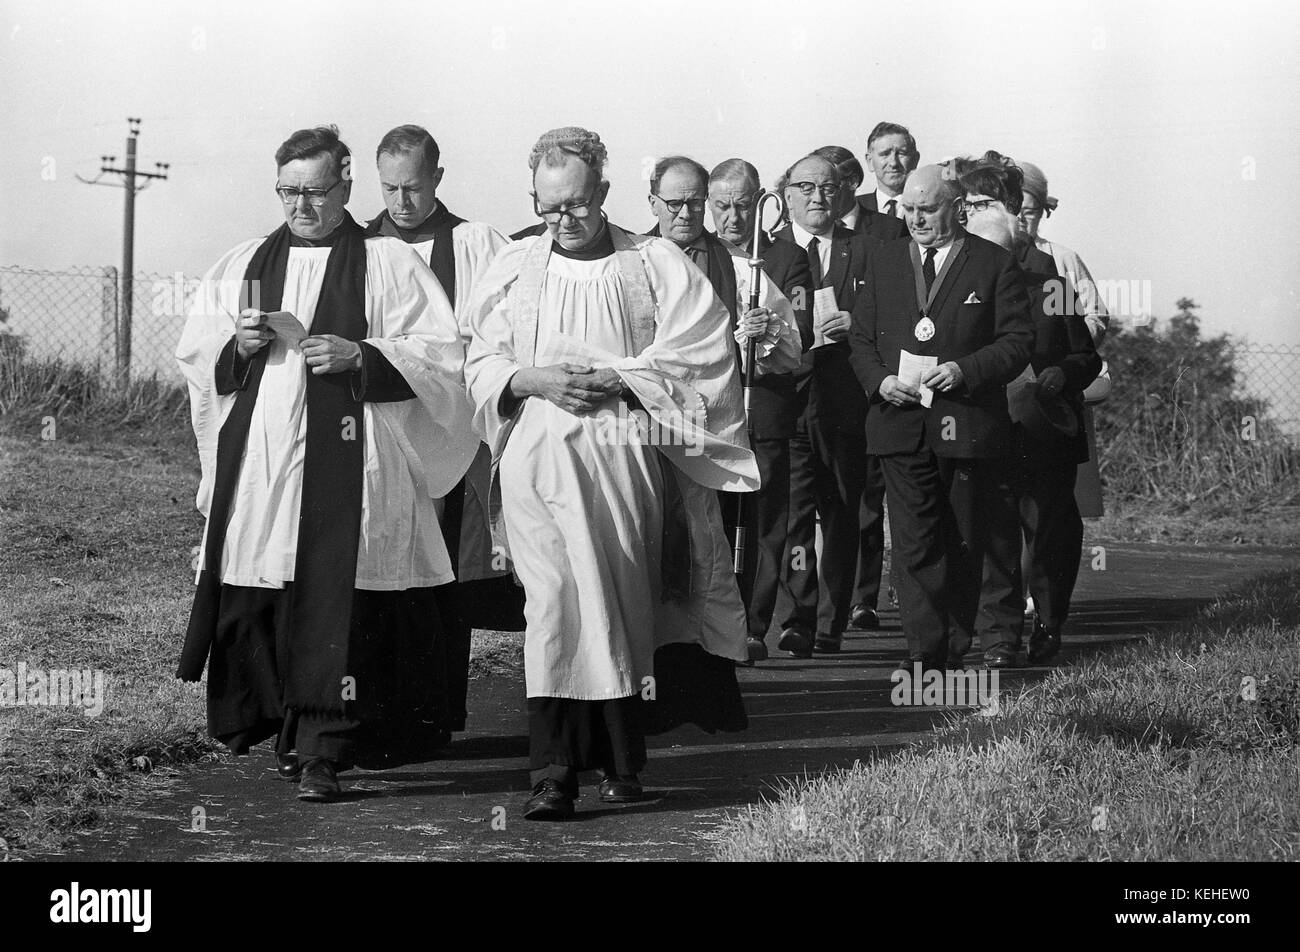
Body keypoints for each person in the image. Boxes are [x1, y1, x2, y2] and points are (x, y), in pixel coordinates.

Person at [175, 125, 479, 802]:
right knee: (271, 578)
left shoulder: (391, 262)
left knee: (344, 597)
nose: (301, 206)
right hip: (266, 460)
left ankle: (326, 747)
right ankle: (285, 724)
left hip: (358, 455)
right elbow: (199, 358)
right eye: (288, 191)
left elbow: (441, 355)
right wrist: (239, 346)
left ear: (345, 183)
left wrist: (363, 356)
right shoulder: (245, 261)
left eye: (314, 190)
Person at [465, 127, 757, 821]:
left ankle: (622, 763)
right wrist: (531, 377)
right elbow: (477, 359)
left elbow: (704, 356)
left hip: (626, 458)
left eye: (575, 206)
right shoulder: (513, 267)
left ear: (602, 192)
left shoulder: (652, 262)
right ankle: (552, 770)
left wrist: (622, 379)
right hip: (540, 459)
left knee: (623, 602)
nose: (561, 220)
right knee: (555, 605)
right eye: (547, 207)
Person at [364, 124, 523, 744]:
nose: (400, 202)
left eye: (412, 187)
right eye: (389, 188)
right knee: (384, 571)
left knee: (446, 580)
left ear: (437, 177)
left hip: (454, 432)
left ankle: (437, 716)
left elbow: (500, 327)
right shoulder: (363, 247)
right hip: (381, 437)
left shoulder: (474, 244)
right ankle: (381, 713)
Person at [847, 164, 1033, 671]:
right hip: (899, 423)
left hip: (966, 425)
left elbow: (1017, 343)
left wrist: (964, 369)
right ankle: (923, 654)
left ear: (957, 207)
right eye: (907, 208)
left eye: (926, 209)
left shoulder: (994, 264)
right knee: (914, 541)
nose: (914, 218)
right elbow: (860, 340)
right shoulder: (883, 260)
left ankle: (954, 643)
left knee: (964, 538)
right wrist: (881, 381)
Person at [958, 157, 1101, 665]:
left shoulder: (1051, 286)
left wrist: (1063, 373)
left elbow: (1087, 354)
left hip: (1045, 430)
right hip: (989, 430)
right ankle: (1000, 640)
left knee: (1046, 533)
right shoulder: (964, 290)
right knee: (994, 533)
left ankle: (1049, 621)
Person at [699, 157, 809, 661]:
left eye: (744, 205)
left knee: (765, 522)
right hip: (708, 414)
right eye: (721, 206)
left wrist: (771, 330)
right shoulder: (691, 255)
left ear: (762, 201)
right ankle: (713, 624)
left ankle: (755, 625)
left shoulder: (785, 259)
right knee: (714, 521)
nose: (734, 218)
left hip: (764, 410)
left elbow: (799, 346)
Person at [774, 153, 882, 656]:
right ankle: (796, 616)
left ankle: (830, 621)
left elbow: (891, 316)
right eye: (806, 187)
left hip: (846, 401)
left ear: (843, 194)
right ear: (788, 194)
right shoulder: (770, 254)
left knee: (841, 510)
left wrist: (856, 324)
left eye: (828, 187)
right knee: (794, 513)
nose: (818, 197)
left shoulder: (871, 248)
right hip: (789, 399)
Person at [1017, 160, 1110, 523]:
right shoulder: (992, 256)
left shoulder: (1060, 261)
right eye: (1016, 211)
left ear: (1043, 211)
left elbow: (1094, 316)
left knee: (1057, 501)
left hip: (1055, 387)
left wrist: (1060, 350)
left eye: (1031, 212)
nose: (1024, 220)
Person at [818, 144, 907, 242]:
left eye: (827, 186)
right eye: (809, 187)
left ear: (852, 182)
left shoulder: (894, 230)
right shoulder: (804, 229)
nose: (817, 197)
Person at [857, 121, 920, 224]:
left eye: (902, 153)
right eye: (885, 154)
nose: (893, 163)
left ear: (915, 160)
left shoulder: (931, 208)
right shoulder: (854, 208)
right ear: (870, 161)